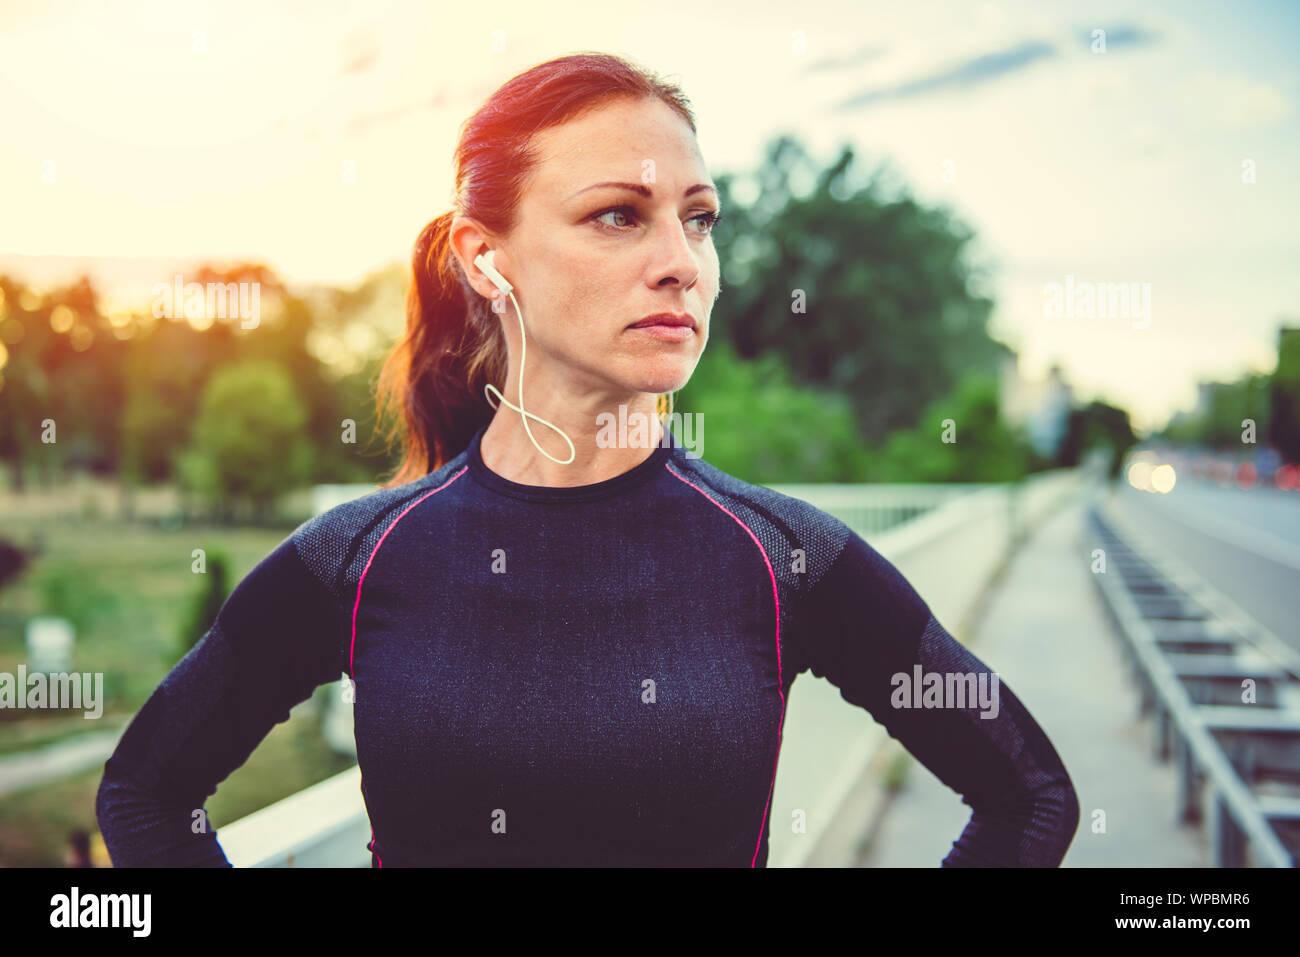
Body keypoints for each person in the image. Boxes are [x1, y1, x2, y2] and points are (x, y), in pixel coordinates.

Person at [95, 51, 1079, 868]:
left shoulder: (786, 559)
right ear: (488, 260)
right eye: (619, 215)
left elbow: (1030, 799)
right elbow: (145, 797)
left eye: (699, 219)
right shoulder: (357, 559)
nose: (682, 262)